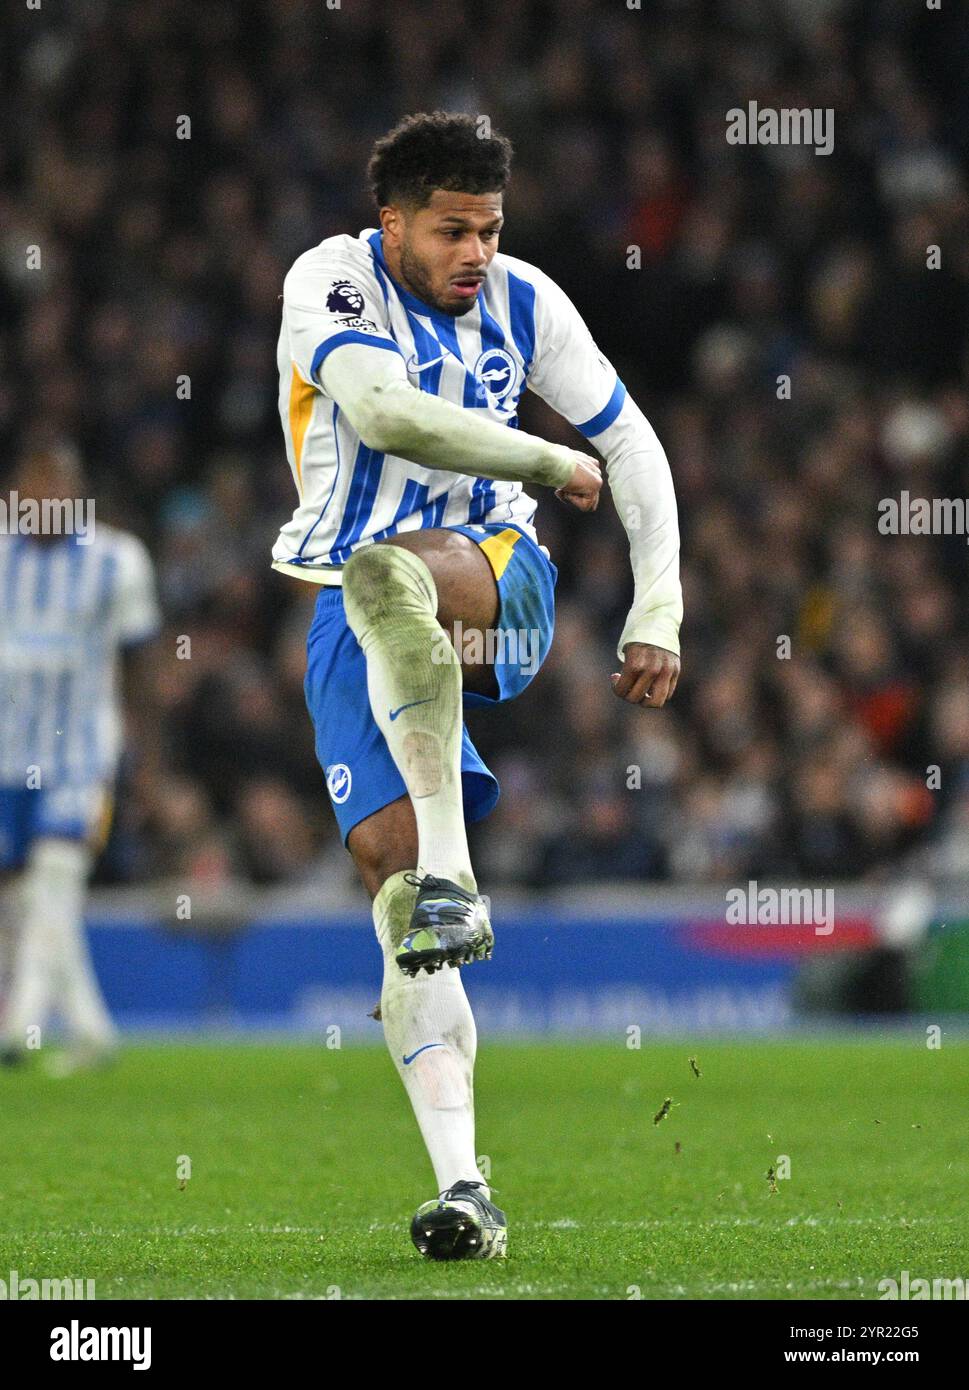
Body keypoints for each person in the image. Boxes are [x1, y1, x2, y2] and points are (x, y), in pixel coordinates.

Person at [272, 112, 682, 1259]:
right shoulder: (333, 282)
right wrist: (547, 458)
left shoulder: (530, 302)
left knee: (391, 570)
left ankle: (457, 874)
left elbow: (633, 441)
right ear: (393, 222)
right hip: (356, 609)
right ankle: (467, 1190)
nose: (477, 254)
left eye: (491, 230)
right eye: (453, 230)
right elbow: (386, 413)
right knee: (392, 893)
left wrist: (660, 606)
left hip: (497, 575)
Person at [0, 443, 160, 1074]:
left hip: (81, 753)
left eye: (58, 485)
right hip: (6, 757)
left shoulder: (118, 561)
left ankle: (20, 1027)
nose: (46, 500)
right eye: (33, 486)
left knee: (56, 876)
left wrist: (145, 762)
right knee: (31, 898)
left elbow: (142, 666)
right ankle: (92, 1029)